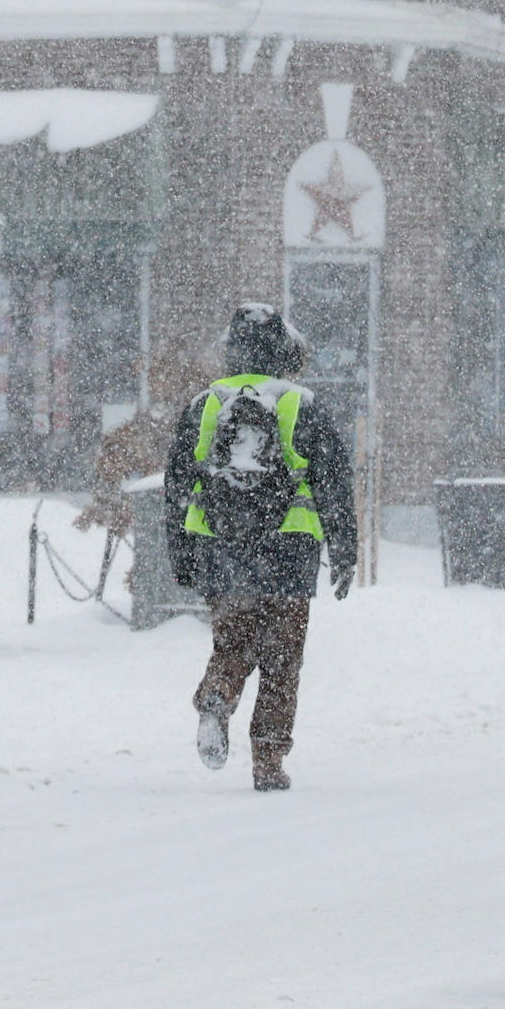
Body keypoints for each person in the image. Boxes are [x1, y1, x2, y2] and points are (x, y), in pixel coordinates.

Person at [163, 302, 359, 793]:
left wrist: (180, 550)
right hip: (289, 549)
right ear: (284, 349)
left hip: (220, 544)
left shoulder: (205, 403)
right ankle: (268, 762)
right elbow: (333, 482)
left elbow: (176, 483)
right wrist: (345, 547)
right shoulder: (300, 403)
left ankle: (217, 693)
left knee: (234, 640)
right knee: (282, 657)